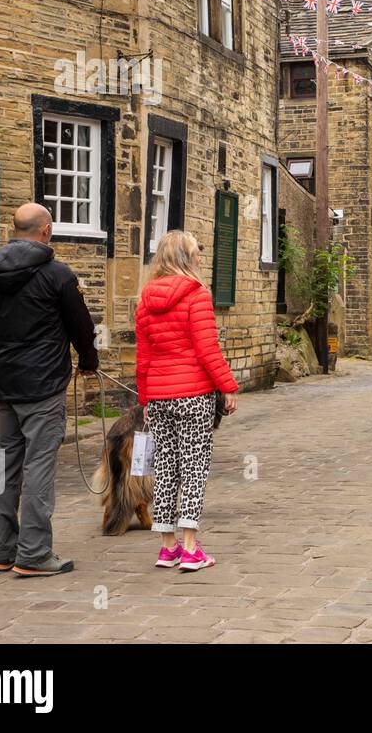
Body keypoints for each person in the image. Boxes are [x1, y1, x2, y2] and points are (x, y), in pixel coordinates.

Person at [0, 202, 97, 577]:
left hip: (5, 381)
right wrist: (89, 361)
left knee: (5, 466)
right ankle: (33, 553)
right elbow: (82, 327)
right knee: (39, 466)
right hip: (43, 384)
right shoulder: (58, 274)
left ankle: (4, 550)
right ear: (45, 230)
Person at [135, 230, 239, 572]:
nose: (200, 258)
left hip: (159, 396)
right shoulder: (196, 294)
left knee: (166, 467)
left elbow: (143, 356)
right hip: (193, 394)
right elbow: (207, 349)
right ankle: (192, 548)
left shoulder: (146, 298)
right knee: (194, 467)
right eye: (196, 252)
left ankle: (168, 547)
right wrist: (227, 386)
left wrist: (145, 397)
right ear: (184, 258)